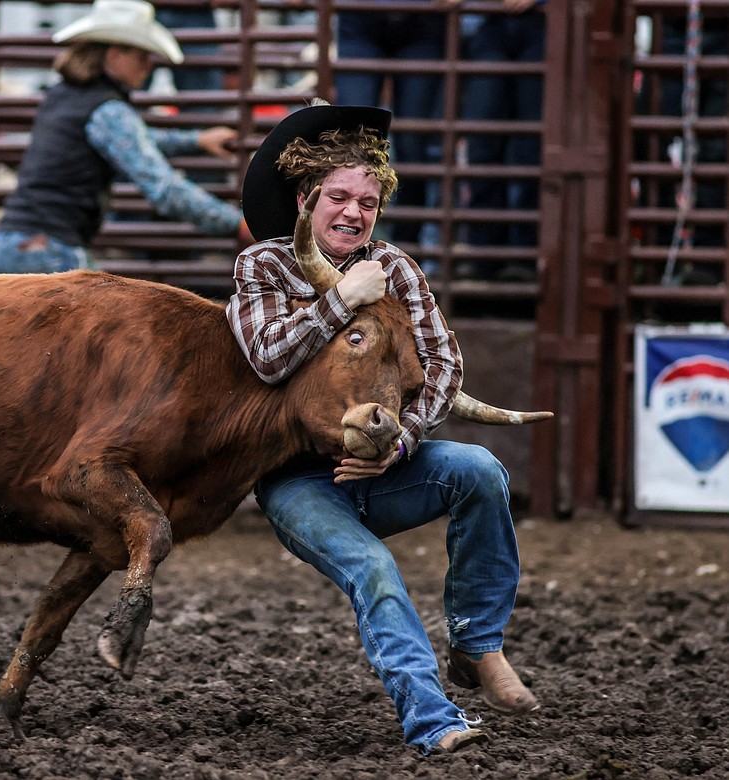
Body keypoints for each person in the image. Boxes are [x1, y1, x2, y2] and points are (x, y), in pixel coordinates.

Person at [225, 102, 540, 755]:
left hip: (389, 464)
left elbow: (445, 363)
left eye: (367, 202)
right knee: (372, 564)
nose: (352, 213)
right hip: (300, 482)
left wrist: (403, 439)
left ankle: (477, 646)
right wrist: (342, 298)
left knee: (481, 470)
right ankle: (434, 719)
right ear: (304, 198)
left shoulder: (394, 266)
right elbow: (265, 357)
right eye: (337, 196)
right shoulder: (262, 267)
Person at [0, 0, 252, 274]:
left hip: (11, 244)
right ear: (114, 55)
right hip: (51, 249)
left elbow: (132, 140)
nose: (148, 65)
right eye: (141, 56)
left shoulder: (61, 96)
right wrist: (236, 224)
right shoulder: (108, 109)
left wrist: (196, 141)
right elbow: (164, 187)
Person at [332, 1, 462, 256]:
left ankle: (404, 251)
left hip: (423, 19)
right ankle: (350, 245)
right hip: (363, 17)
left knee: (413, 142)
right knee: (353, 137)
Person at [457, 1, 545, 281]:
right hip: (493, 20)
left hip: (543, 21)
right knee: (483, 140)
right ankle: (484, 254)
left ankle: (523, 253)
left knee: (531, 146)